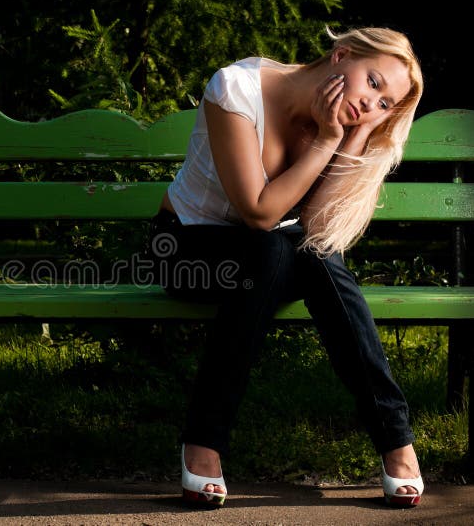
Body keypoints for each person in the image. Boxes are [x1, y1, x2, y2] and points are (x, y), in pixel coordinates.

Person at [147, 26, 425, 508]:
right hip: (183, 250)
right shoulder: (236, 89)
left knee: (302, 252)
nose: (373, 106)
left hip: (263, 260)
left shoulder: (348, 121)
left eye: (386, 106)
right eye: (374, 83)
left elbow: (316, 225)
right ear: (341, 55)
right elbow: (258, 212)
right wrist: (326, 140)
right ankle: (205, 441)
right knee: (275, 246)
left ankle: (394, 438)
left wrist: (352, 136)